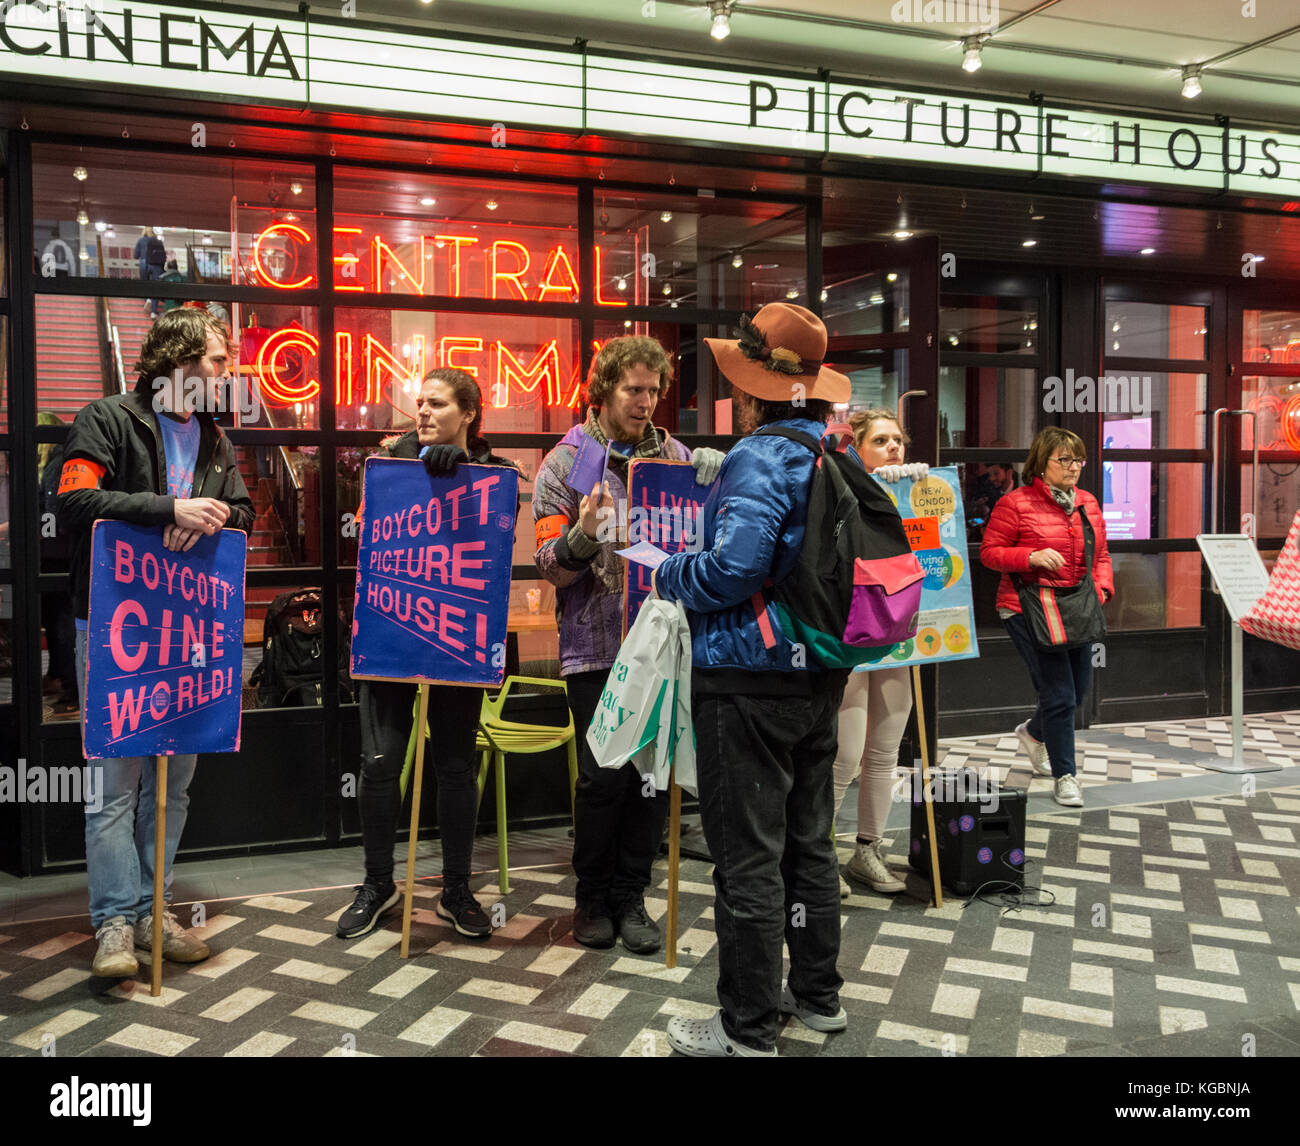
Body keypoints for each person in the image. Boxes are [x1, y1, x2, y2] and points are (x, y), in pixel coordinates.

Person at [654, 303, 852, 1057]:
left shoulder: (761, 455)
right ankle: (819, 999)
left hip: (747, 676)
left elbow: (734, 569)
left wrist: (669, 571)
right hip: (819, 676)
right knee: (810, 844)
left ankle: (745, 1028)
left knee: (747, 859)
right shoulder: (832, 454)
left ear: (755, 390)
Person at [57, 307, 253, 977]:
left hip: (188, 633)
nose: (229, 372)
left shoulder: (216, 441)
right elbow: (73, 503)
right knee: (115, 783)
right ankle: (114, 923)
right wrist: (169, 509)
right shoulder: (107, 419)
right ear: (179, 362)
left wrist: (215, 516)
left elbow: (246, 511)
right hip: (114, 629)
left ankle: (151, 912)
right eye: (220, 360)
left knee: (174, 785)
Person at [533, 336, 722, 954]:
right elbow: (549, 567)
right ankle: (592, 897)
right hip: (593, 646)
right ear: (604, 390)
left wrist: (717, 482)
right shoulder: (564, 462)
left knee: (651, 776)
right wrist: (584, 536)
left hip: (662, 644)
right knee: (601, 778)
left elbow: (707, 538)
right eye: (632, 390)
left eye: (652, 390)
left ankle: (631, 897)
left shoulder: (676, 457)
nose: (644, 402)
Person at [337, 368, 518, 941]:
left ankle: (457, 887)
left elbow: (499, 538)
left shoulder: (497, 472)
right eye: (419, 404)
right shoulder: (388, 463)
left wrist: (464, 475)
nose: (423, 413)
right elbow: (366, 528)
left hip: (455, 637)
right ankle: (378, 883)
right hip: (391, 629)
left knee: (457, 767)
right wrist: (417, 462)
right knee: (379, 764)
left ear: (468, 413)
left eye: (436, 405)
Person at [980, 427, 1113, 808]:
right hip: (1027, 607)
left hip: (1077, 606)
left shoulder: (1087, 501)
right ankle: (1065, 775)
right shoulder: (1016, 503)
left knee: (1077, 693)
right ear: (1042, 462)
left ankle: (1034, 733)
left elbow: (1101, 555)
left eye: (1078, 459)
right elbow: (990, 553)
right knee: (1059, 694)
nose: (1074, 468)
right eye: (1065, 460)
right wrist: (1030, 557)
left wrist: (1101, 590)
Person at [832, 409, 928, 898]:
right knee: (844, 754)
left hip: (898, 630)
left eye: (898, 440)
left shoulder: (912, 489)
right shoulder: (836, 482)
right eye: (881, 440)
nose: (893, 448)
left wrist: (915, 492)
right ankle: (818, 853)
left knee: (886, 749)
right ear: (856, 446)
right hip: (852, 628)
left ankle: (867, 849)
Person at [38, 411, 78, 717]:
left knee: (62, 623)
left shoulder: (55, 464)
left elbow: (53, 512)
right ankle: (58, 676)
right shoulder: (62, 461)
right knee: (56, 620)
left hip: (56, 554)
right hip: (59, 552)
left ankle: (70, 686)